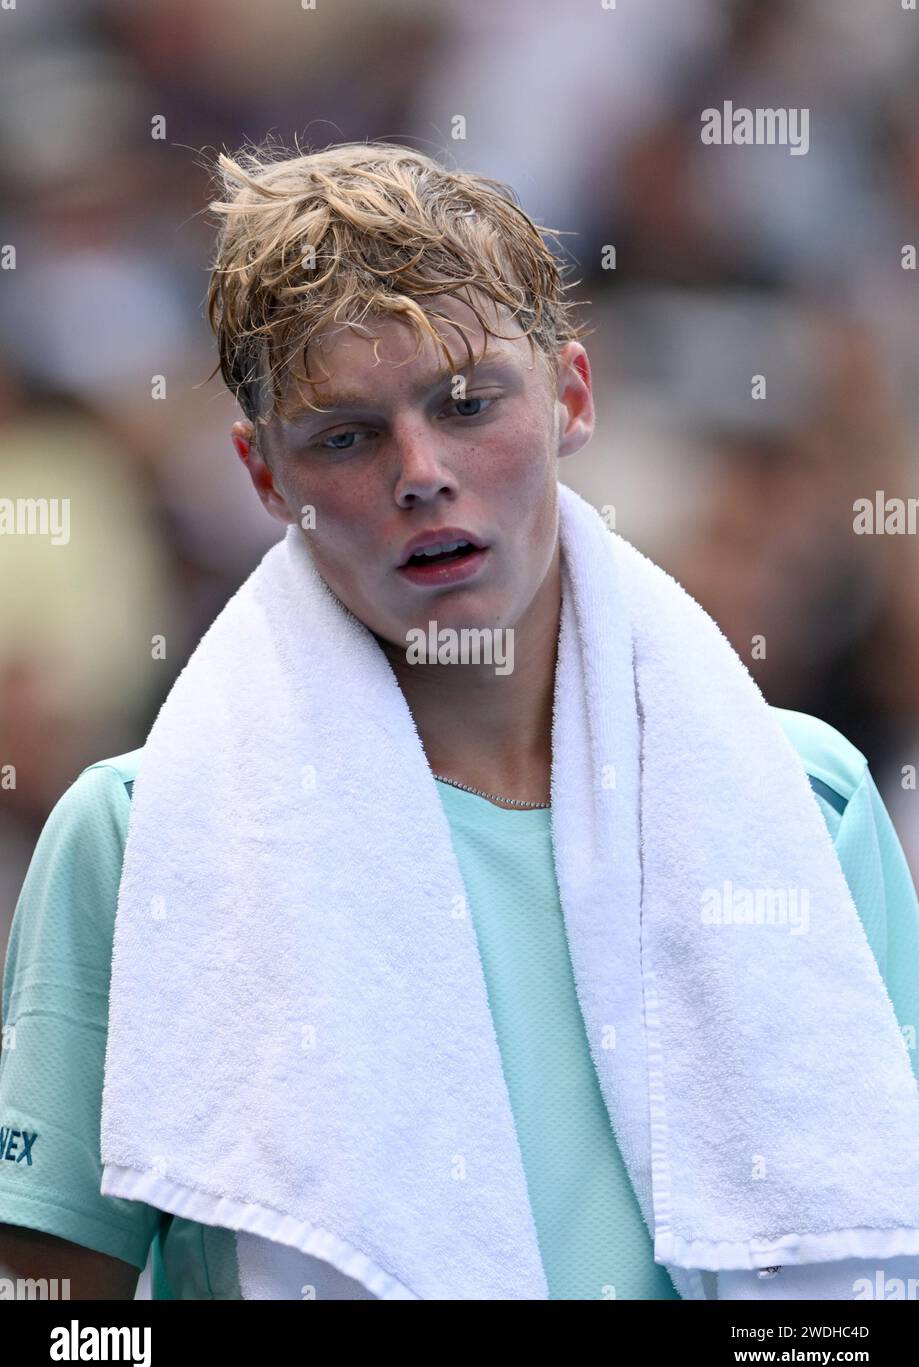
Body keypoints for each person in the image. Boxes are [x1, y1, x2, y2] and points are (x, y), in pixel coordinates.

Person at [1, 141, 918, 1300]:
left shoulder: (810, 800)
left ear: (572, 395)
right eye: (344, 435)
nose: (421, 472)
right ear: (262, 473)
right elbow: (49, 1315)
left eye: (467, 401)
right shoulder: (134, 838)